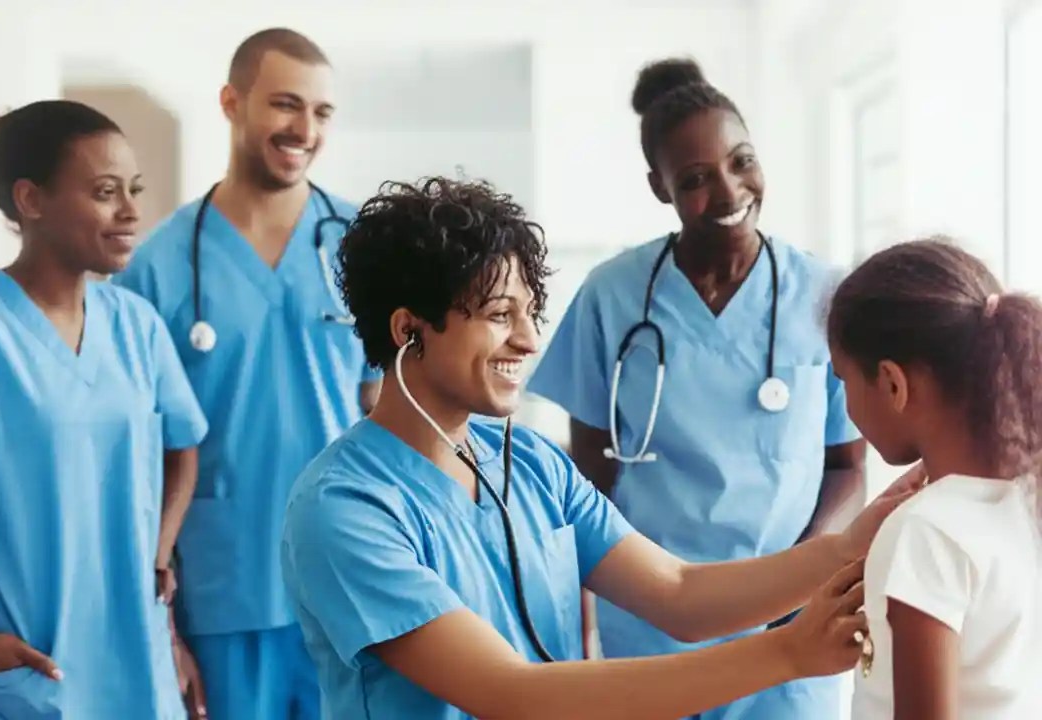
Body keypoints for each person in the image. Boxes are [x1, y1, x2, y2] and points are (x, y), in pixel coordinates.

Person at [279, 177, 924, 720]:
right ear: (409, 330)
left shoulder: (530, 465)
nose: (530, 341)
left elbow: (678, 593)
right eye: (501, 315)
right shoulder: (345, 509)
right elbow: (509, 693)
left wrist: (848, 546)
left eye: (531, 312)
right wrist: (786, 654)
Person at [526, 57, 867, 718]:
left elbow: (847, 465)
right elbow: (588, 480)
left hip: (790, 621)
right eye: (696, 179)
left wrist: (804, 569)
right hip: (650, 625)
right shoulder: (612, 296)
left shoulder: (824, 295)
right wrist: (580, 615)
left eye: (741, 161)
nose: (730, 189)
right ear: (660, 188)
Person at [0, 100, 209, 719]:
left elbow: (183, 450)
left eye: (133, 190)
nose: (130, 211)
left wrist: (158, 550)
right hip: (20, 667)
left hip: (136, 664)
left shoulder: (137, 326)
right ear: (30, 200)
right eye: (103, 192)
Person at [114, 27, 377, 720]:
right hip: (223, 592)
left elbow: (394, 417)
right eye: (285, 105)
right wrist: (160, 627)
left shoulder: (365, 247)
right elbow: (142, 460)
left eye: (322, 113)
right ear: (232, 103)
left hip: (351, 581)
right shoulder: (161, 265)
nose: (304, 129)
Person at [826, 239, 1042, 720]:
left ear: (892, 383)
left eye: (843, 380)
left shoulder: (925, 531)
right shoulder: (1027, 500)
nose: (845, 405)